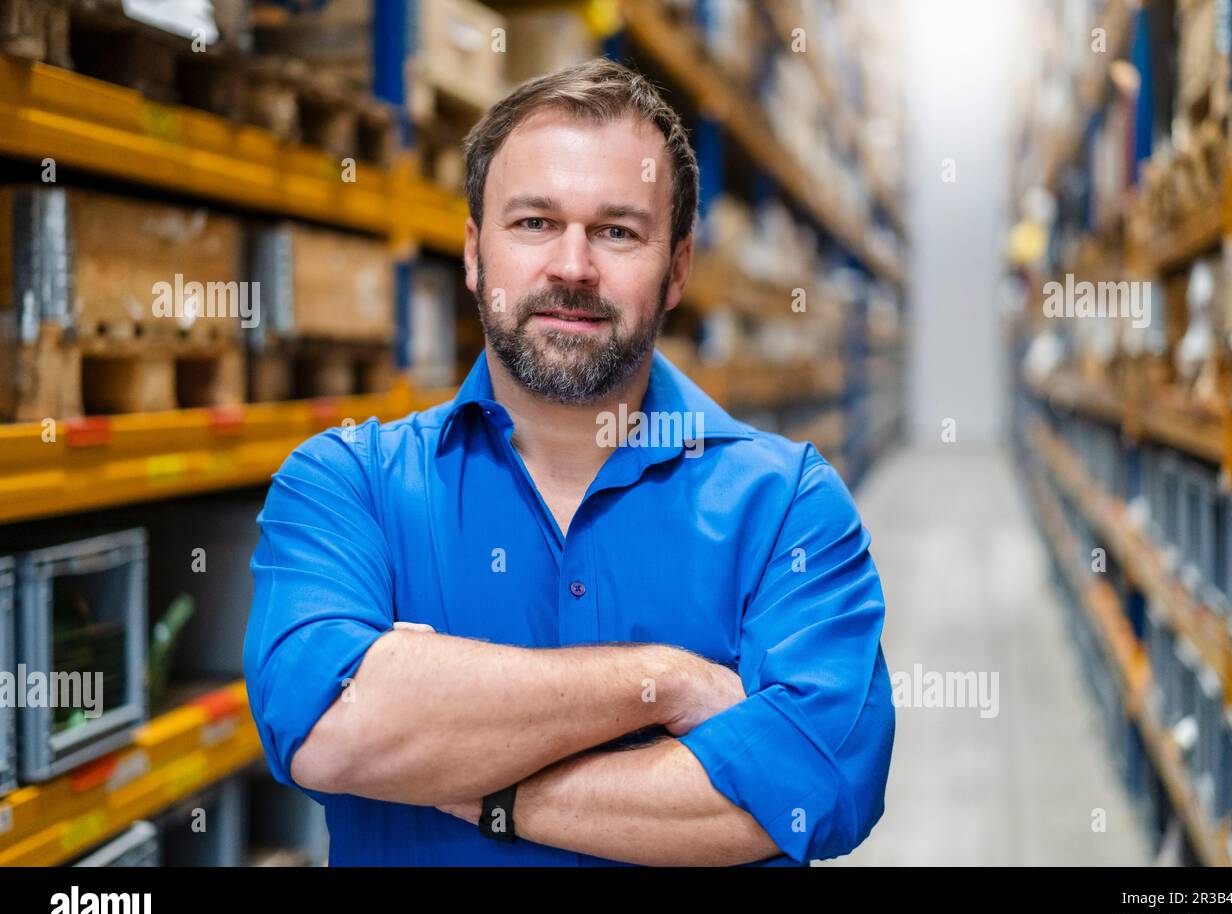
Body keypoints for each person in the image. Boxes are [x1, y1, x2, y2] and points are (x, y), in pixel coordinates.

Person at [242, 57, 895, 866]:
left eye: (617, 231)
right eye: (534, 223)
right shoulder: (349, 484)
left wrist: (488, 793)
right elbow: (323, 724)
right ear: (475, 254)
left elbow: (818, 782)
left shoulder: (788, 507)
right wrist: (664, 680)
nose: (573, 267)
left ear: (678, 269)